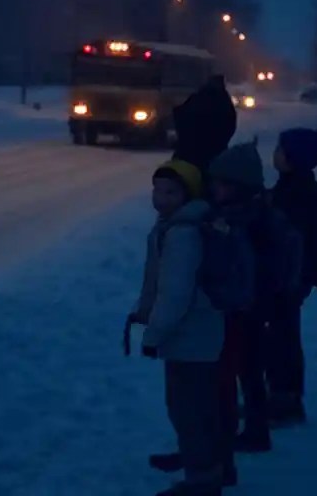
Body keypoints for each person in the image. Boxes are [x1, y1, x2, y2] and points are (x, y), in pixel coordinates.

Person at [133, 160, 226, 496]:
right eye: (157, 189)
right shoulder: (171, 226)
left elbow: (175, 293)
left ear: (187, 195)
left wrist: (153, 334)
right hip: (193, 337)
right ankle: (204, 466)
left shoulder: (183, 233)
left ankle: (203, 480)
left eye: (170, 191)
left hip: (192, 339)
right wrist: (143, 311)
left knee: (189, 410)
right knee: (193, 406)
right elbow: (157, 283)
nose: (161, 197)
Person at [208, 141, 303, 455]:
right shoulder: (249, 213)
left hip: (246, 308)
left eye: (221, 184)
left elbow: (257, 266)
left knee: (245, 369)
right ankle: (251, 426)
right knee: (247, 369)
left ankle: (251, 430)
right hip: (248, 306)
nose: (214, 189)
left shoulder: (250, 219)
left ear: (237, 186)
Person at [269, 127, 317, 420]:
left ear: (293, 158)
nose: (275, 154)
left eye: (280, 150)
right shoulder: (293, 188)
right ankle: (283, 396)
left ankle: (286, 400)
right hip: (290, 279)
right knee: (283, 336)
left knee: (283, 339)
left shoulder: (296, 195)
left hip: (287, 280)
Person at [172, 75, 238, 174]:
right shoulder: (224, 101)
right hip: (214, 151)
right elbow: (230, 124)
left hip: (188, 151)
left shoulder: (196, 98)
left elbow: (180, 116)